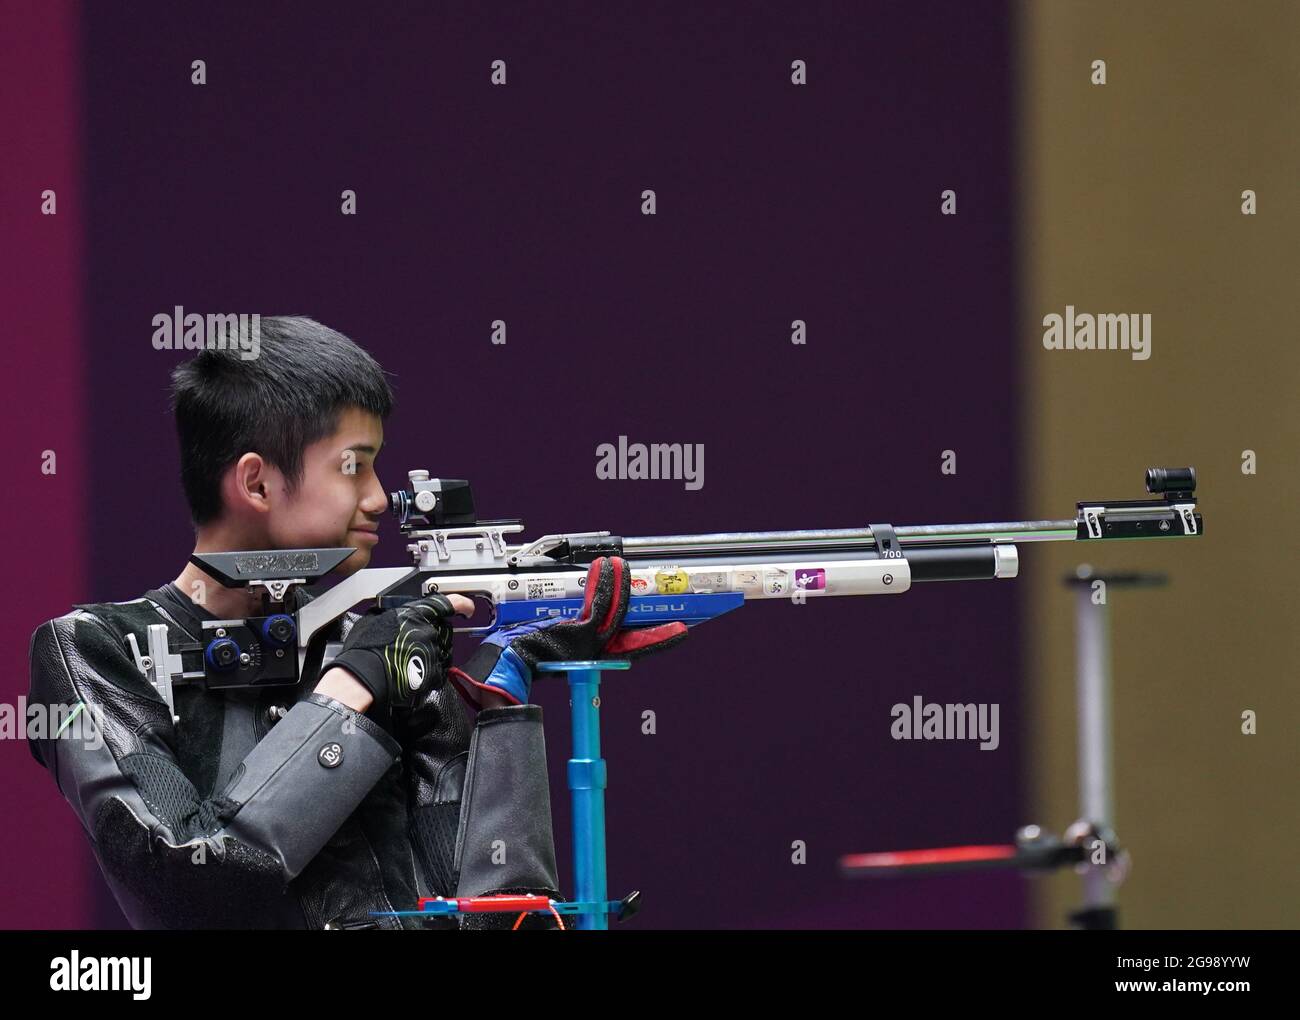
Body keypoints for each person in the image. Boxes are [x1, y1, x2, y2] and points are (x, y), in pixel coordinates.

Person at [25, 316, 686, 929]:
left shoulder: (374, 645)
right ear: (256, 485)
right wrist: (350, 688)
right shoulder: (97, 650)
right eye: (354, 465)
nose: (377, 497)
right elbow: (189, 887)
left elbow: (498, 910)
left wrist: (496, 692)